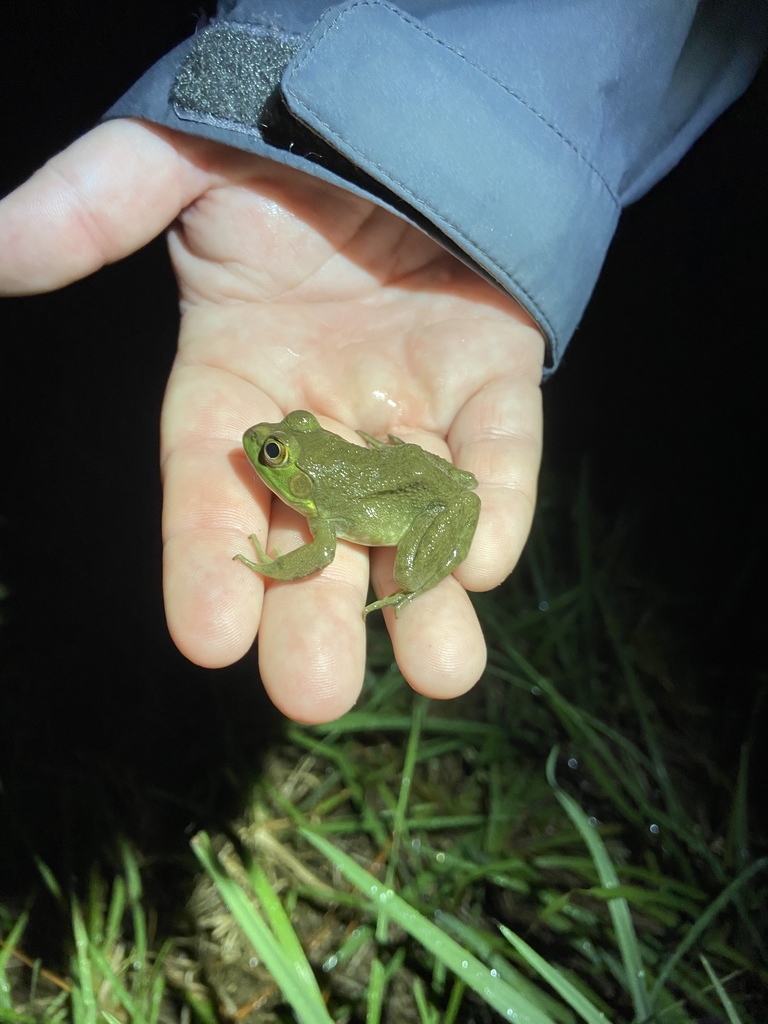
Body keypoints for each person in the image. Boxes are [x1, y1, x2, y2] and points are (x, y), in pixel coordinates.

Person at [0, 1, 765, 724]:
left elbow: (322, 552)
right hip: (406, 470)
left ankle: (417, 577)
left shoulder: (320, 510)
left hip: (427, 501)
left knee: (444, 532)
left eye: (274, 449)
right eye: (276, 445)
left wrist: (272, 564)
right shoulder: (318, 489)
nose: (266, 444)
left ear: (294, 474)